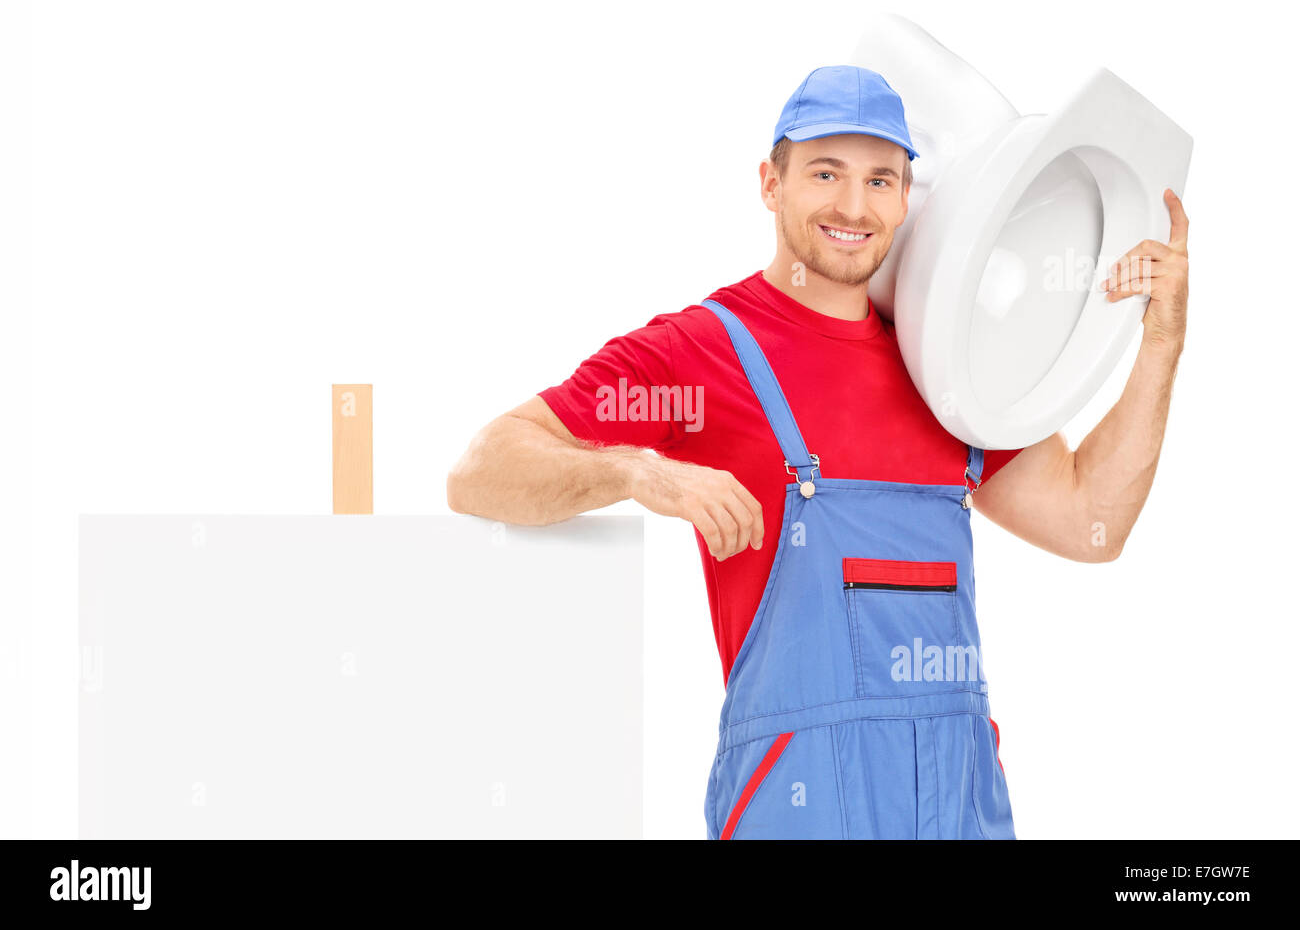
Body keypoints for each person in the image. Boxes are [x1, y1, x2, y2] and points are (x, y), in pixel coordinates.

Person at [446, 65, 1190, 839]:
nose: (853, 206)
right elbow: (482, 471)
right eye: (825, 173)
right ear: (771, 183)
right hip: (797, 808)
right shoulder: (702, 351)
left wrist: (1161, 341)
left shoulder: (951, 367)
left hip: (957, 802)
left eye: (880, 179)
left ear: (907, 198)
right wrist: (639, 471)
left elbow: (1090, 522)